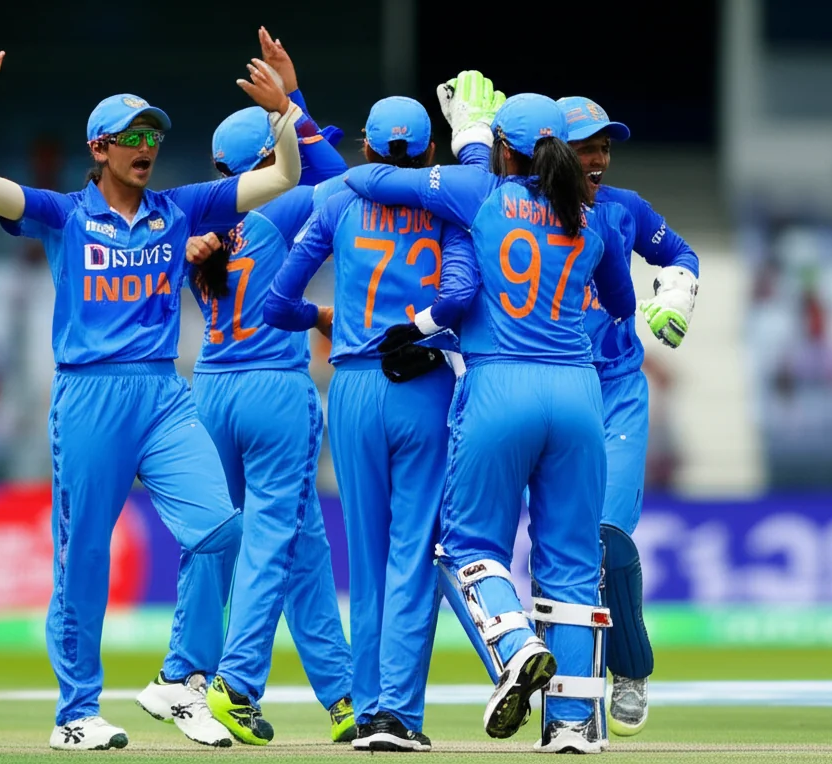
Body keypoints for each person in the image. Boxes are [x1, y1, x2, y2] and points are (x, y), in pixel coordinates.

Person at [0, 26, 304, 750]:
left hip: (161, 395)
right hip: (89, 397)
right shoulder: (63, 215)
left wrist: (283, 116)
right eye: (131, 135)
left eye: (153, 133)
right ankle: (75, 713)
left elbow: (281, 180)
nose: (147, 145)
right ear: (100, 149)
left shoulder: (181, 209)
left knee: (219, 529)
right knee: (83, 556)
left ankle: (181, 680)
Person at [340, 93, 637, 753]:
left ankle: (514, 646)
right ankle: (572, 727)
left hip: (501, 383)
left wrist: (466, 138)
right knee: (569, 566)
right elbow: (620, 303)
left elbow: (372, 178)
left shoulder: (481, 192)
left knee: (465, 547)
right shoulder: (593, 215)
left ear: (505, 148)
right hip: (579, 393)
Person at [135, 28, 355, 747]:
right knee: (270, 542)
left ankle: (336, 695)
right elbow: (335, 184)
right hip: (274, 392)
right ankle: (235, 685)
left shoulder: (195, 222)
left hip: (210, 393)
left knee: (261, 542)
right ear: (266, 162)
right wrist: (294, 103)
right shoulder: (277, 210)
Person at [265, 95, 481, 753]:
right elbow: (462, 298)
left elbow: (277, 302)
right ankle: (398, 717)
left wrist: (325, 321)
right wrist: (417, 328)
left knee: (367, 557)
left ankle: (365, 714)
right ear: (430, 155)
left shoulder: (336, 200)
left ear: (366, 150)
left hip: (353, 388)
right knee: (414, 555)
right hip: (421, 382)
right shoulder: (447, 208)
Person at [557, 95, 700, 736]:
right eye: (587, 146)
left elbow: (682, 256)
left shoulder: (624, 210)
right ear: (552, 150)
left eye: (605, 146)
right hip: (549, 389)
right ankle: (557, 689)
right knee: (561, 552)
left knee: (608, 537)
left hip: (615, 387)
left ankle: (630, 670)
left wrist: (675, 292)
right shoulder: (513, 207)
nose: (600, 158)